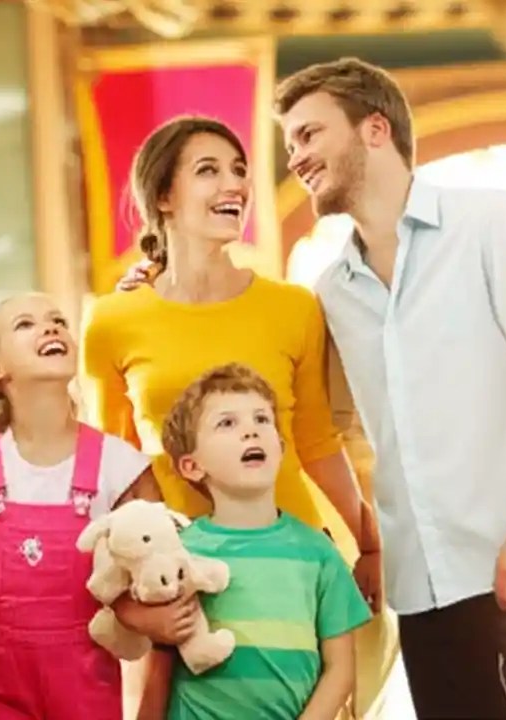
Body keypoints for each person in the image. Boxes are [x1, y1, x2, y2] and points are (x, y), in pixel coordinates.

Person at [273, 57, 506, 719]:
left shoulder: (490, 223)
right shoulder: (332, 292)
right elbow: (326, 426)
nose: (295, 157)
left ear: (375, 129)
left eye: (309, 134)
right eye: (290, 143)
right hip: (425, 587)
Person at [81, 116, 382, 611]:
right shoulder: (111, 320)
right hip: (184, 572)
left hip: (294, 556)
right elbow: (117, 465)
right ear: (163, 196)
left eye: (239, 170)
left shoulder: (293, 307)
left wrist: (368, 543)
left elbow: (316, 441)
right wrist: (136, 590)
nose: (234, 184)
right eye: (208, 170)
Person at [0, 292, 166, 720]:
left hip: (90, 698)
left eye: (58, 320)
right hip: (0, 703)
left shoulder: (121, 467)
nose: (50, 328)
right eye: (25, 324)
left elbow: (158, 591)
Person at [138, 363, 371, 720]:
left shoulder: (319, 553)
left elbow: (340, 670)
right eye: (227, 423)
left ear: (280, 447)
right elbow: (153, 665)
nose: (251, 431)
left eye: (262, 419)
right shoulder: (179, 554)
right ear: (191, 466)